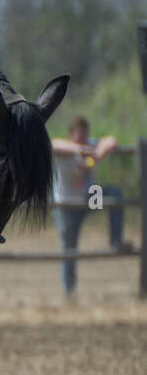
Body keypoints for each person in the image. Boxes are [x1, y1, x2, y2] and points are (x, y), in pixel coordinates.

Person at [50, 116, 125, 295]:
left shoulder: (91, 145)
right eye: (80, 135)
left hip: (92, 198)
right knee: (69, 248)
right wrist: (81, 150)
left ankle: (115, 240)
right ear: (71, 134)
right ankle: (69, 291)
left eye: (86, 135)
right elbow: (53, 144)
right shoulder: (67, 149)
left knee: (115, 194)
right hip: (67, 203)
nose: (84, 138)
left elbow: (111, 140)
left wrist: (97, 154)